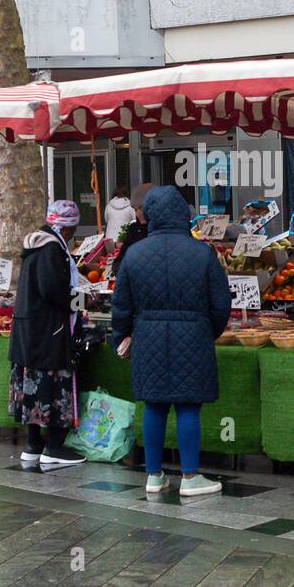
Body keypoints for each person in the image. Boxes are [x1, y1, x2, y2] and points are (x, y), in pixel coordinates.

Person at [110, 185, 232, 498]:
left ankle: (153, 475)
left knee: (154, 405)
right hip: (193, 335)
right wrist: (208, 331)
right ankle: (190, 477)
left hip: (147, 336)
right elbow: (220, 304)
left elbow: (121, 305)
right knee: (188, 406)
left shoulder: (134, 254)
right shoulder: (203, 253)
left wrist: (120, 336)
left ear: (148, 215)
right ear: (183, 213)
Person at [8, 200, 87, 466]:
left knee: (32, 387)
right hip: (47, 332)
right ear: (68, 227)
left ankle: (32, 445)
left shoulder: (37, 244)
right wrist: (85, 302)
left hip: (29, 331)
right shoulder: (51, 248)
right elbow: (53, 290)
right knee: (52, 386)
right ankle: (53, 447)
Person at [113, 182, 154, 270]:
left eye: (141, 208)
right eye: (135, 209)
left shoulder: (166, 229)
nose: (138, 213)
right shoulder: (133, 230)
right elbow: (119, 262)